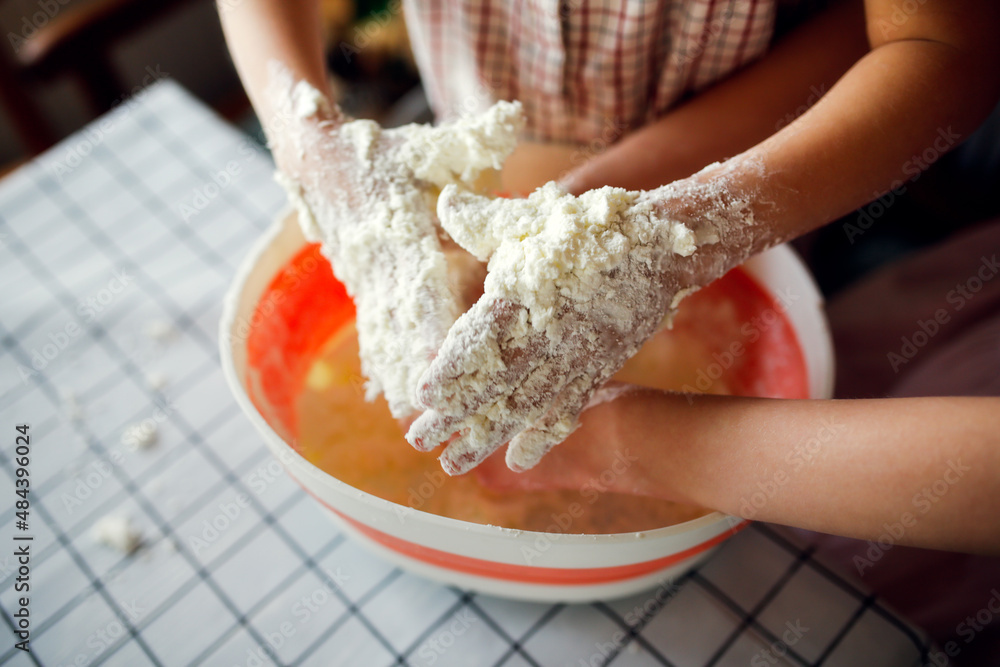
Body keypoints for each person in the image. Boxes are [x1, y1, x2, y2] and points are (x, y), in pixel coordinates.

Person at [219, 0, 1000, 656]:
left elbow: (931, 42)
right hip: (524, 180)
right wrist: (306, 139)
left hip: (777, 180)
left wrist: (667, 243)